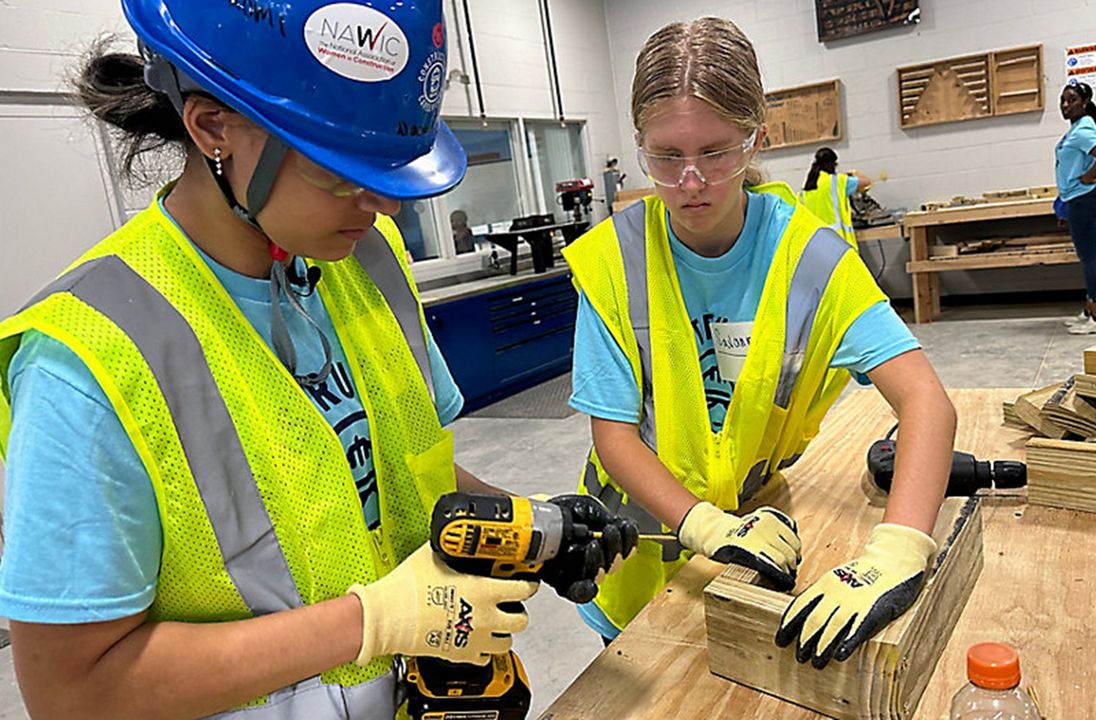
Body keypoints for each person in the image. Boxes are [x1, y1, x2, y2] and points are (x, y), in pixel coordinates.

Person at [0, 1, 634, 717]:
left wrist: (531, 522)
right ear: (212, 128)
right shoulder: (88, 357)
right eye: (339, 172)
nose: (383, 210)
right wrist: (373, 621)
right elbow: (72, 689)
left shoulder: (364, 264)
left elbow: (395, 465)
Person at [561, 17, 956, 669]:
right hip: (637, 552)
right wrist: (706, 526)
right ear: (639, 144)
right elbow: (615, 436)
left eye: (716, 152)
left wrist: (901, 548)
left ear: (756, 140)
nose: (691, 182)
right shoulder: (613, 262)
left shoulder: (810, 258)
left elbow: (925, 401)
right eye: (665, 156)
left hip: (756, 531)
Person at [1056, 82, 1096, 335]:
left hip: (1086, 198)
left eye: (1072, 100)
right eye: (1063, 100)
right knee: (1088, 256)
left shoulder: (1082, 130)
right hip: (1079, 198)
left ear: (1085, 102)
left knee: (1089, 257)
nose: (1065, 105)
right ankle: (1090, 309)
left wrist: (1086, 179)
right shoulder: (1078, 128)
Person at [799, 147, 875, 244]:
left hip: (816, 243)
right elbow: (866, 182)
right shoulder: (837, 181)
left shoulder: (806, 189)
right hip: (838, 240)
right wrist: (852, 175)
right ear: (833, 164)